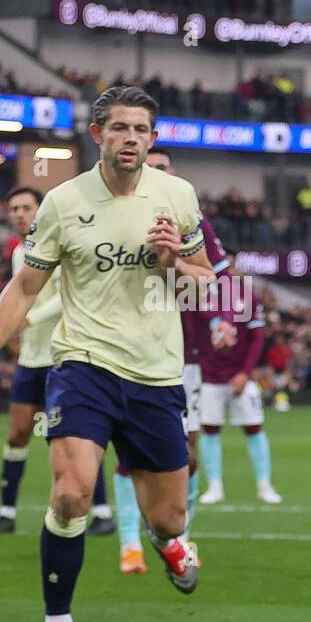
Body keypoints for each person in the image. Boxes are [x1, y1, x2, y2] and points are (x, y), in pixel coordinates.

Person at [0, 85, 215, 622]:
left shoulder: (179, 196)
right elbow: (24, 287)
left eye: (141, 130)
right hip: (82, 363)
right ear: (98, 135)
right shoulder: (64, 202)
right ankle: (57, 620)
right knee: (70, 494)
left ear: (153, 139)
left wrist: (175, 262)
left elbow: (209, 283)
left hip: (157, 373)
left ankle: (168, 542)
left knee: (167, 517)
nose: (131, 138)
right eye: (120, 128)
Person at [112, 145, 233, 573]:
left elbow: (219, 276)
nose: (156, 172)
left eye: (163, 167)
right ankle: (130, 544)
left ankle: (178, 540)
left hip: (186, 354)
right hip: (130, 349)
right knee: (129, 455)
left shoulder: (190, 216)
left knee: (189, 453)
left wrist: (222, 318)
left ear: (173, 173)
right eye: (151, 166)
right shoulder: (117, 213)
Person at [0, 186, 113, 537]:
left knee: (74, 442)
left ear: (40, 210)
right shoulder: (21, 253)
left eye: (26, 207)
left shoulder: (62, 245)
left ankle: (102, 512)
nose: (18, 214)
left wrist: (30, 318)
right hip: (32, 360)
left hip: (64, 358)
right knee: (17, 433)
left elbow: (66, 297)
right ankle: (6, 511)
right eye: (13, 207)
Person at [198, 259, 280, 505]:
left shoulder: (247, 297)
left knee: (254, 428)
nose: (226, 271)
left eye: (230, 266)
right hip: (210, 376)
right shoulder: (197, 295)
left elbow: (257, 339)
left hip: (240, 376)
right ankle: (214, 486)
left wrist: (246, 373)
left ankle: (264, 485)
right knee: (210, 430)